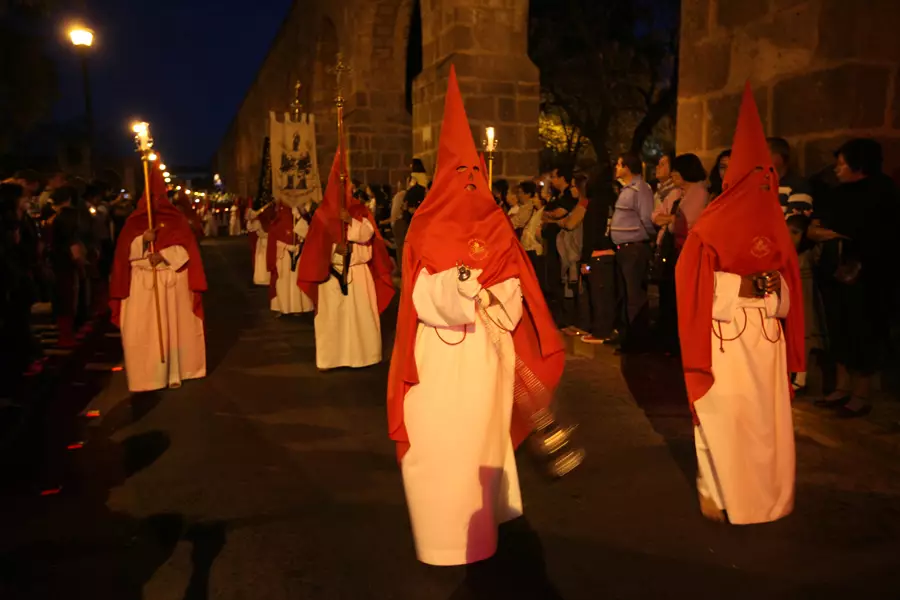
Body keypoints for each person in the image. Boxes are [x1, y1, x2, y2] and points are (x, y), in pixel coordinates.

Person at [387, 65, 565, 566]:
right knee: (441, 442)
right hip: (441, 357)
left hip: (488, 353)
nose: (470, 182)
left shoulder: (499, 225)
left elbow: (515, 292)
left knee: (483, 437)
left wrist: (488, 295)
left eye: (475, 175)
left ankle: (485, 522)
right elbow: (422, 295)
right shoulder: (423, 228)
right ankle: (443, 537)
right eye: (459, 174)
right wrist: (461, 285)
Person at [676, 83, 804, 525]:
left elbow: (790, 287)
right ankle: (720, 493)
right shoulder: (709, 226)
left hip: (765, 341)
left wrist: (774, 290)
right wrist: (739, 289)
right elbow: (689, 284)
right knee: (726, 419)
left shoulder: (776, 223)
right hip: (725, 341)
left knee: (765, 423)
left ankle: (770, 496)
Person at [808, 138, 899, 417]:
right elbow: (821, 224)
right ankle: (841, 387)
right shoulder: (840, 192)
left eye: (842, 163)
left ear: (860, 164)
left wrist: (840, 235)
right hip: (837, 270)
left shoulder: (882, 191)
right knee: (838, 329)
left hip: (869, 274)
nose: (837, 169)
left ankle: (861, 393)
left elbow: (876, 232)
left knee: (863, 332)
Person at [109, 168, 207, 393]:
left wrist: (164, 254)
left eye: (161, 198)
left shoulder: (177, 220)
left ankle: (175, 371)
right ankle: (147, 377)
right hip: (142, 284)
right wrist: (143, 241)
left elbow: (187, 250)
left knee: (174, 329)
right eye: (153, 198)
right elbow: (124, 255)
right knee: (143, 331)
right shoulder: (133, 224)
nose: (157, 203)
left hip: (172, 281)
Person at [296, 148, 394, 371]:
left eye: (348, 187)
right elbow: (314, 249)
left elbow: (368, 234)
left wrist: (349, 221)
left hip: (359, 273)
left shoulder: (359, 211)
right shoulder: (321, 216)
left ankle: (364, 356)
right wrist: (334, 252)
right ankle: (333, 358)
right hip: (331, 276)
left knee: (360, 318)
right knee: (334, 319)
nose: (347, 190)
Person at [610, 151, 656, 351]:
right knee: (626, 295)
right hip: (624, 248)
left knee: (634, 296)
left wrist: (650, 238)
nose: (616, 168)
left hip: (634, 248)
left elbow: (646, 217)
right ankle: (628, 336)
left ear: (627, 167)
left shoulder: (640, 189)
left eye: (619, 165)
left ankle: (638, 341)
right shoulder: (627, 189)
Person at [267, 200, 315, 315]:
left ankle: (296, 307)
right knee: (283, 281)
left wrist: (298, 245)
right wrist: (287, 247)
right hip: (283, 258)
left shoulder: (299, 221)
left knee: (295, 281)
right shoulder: (277, 223)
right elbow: (274, 242)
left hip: (297, 255)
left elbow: (305, 235)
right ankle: (282, 306)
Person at [247, 202, 275, 286]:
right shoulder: (265, 221)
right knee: (263, 259)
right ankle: (265, 278)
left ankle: (263, 278)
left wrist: (250, 220)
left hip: (263, 241)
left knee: (262, 259)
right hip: (266, 241)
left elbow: (250, 228)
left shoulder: (259, 222)